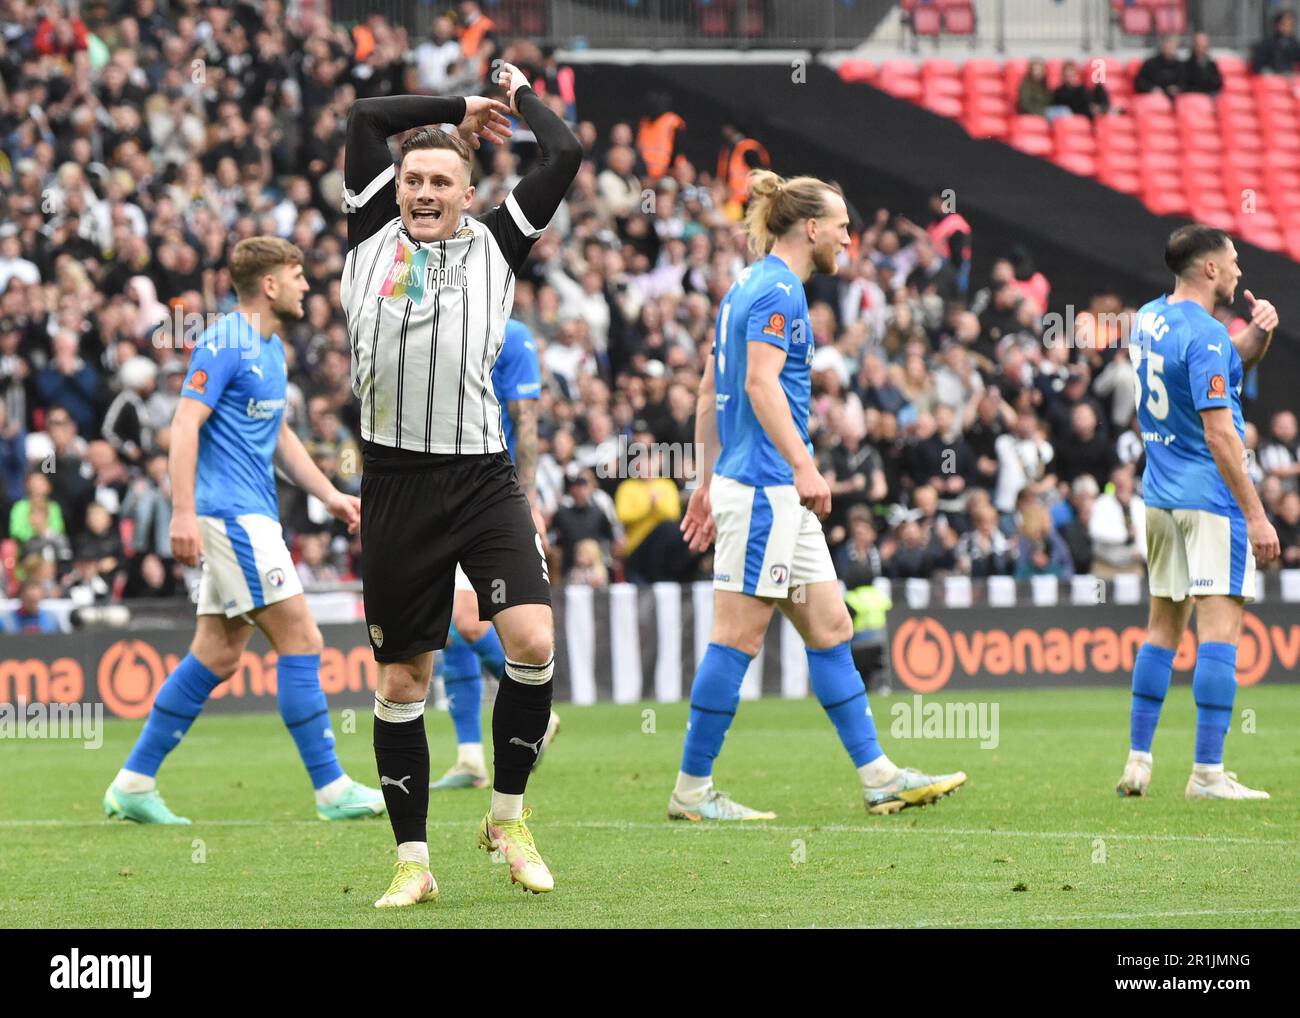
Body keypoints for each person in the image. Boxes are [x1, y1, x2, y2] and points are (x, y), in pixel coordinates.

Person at [340, 63, 580, 905]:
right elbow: (368, 115)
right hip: (396, 485)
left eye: (443, 180)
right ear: (394, 188)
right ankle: (413, 861)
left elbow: (567, 147)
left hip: (482, 478)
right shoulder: (369, 234)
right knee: (401, 682)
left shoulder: (497, 244)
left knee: (533, 641)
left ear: (469, 194)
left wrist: (514, 100)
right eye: (414, 179)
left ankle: (506, 816)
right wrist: (453, 109)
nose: (425, 192)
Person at [672, 168, 967, 822]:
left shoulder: (744, 286)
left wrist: (701, 481)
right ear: (810, 227)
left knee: (832, 626)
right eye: (840, 226)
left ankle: (879, 776)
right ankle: (692, 791)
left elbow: (704, 394)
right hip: (766, 488)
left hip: (756, 487)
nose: (847, 239)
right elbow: (758, 384)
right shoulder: (780, 290)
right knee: (737, 638)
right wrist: (805, 466)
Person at [103, 237, 386, 826]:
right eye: (298, 274)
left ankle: (132, 783)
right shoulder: (225, 340)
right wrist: (182, 513)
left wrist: (329, 494)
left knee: (219, 652)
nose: (308, 285)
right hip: (230, 516)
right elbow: (184, 424)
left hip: (251, 513)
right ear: (271, 284)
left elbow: (279, 436)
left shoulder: (272, 349)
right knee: (303, 640)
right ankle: (331, 789)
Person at [1117, 225, 1280, 801]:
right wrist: (1256, 515)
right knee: (1220, 631)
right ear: (1209, 269)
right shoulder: (1209, 334)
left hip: (1159, 494)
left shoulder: (1149, 317)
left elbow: (1212, 379)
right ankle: (1207, 773)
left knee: (1162, 627)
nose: (1239, 269)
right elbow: (1219, 432)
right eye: (1233, 260)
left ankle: (1138, 761)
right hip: (1211, 498)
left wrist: (1255, 342)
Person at [434, 318, 561, 792]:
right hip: (437, 491)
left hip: (489, 495)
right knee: (448, 630)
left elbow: (524, 419)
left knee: (468, 620)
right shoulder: (443, 318)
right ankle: (469, 756)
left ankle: (538, 714)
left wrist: (526, 500)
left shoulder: (515, 334)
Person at [1252, 9, 1300, 75]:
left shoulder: (1293, 43)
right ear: (1277, 25)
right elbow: (1257, 66)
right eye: (1284, 24)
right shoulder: (1267, 43)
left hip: (1289, 77)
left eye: (1290, 25)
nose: (1287, 28)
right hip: (1271, 78)